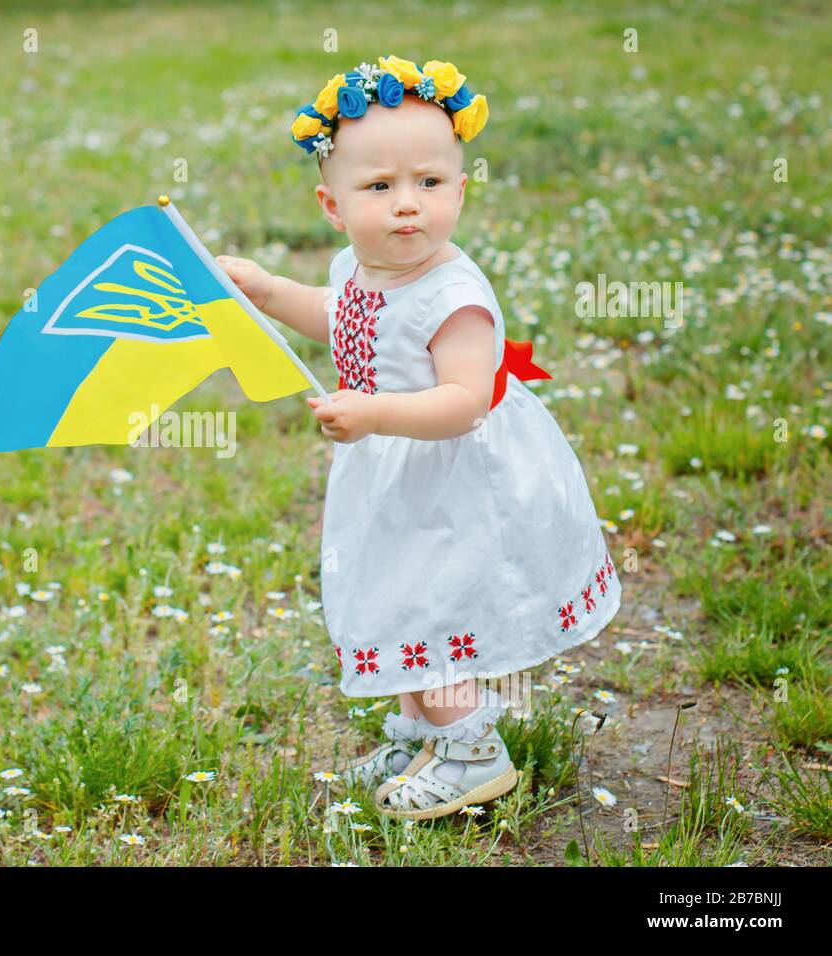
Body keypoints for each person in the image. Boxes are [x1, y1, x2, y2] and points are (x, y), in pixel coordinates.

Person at [217, 56, 622, 820]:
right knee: (397, 597)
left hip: (456, 480)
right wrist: (268, 292)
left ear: (460, 190)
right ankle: (422, 734)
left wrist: (373, 415)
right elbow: (341, 316)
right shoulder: (360, 268)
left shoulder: (455, 295)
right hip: (401, 478)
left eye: (429, 184)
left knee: (429, 608)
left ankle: (472, 751)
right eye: (379, 188)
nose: (408, 206)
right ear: (332, 205)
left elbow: (465, 401)